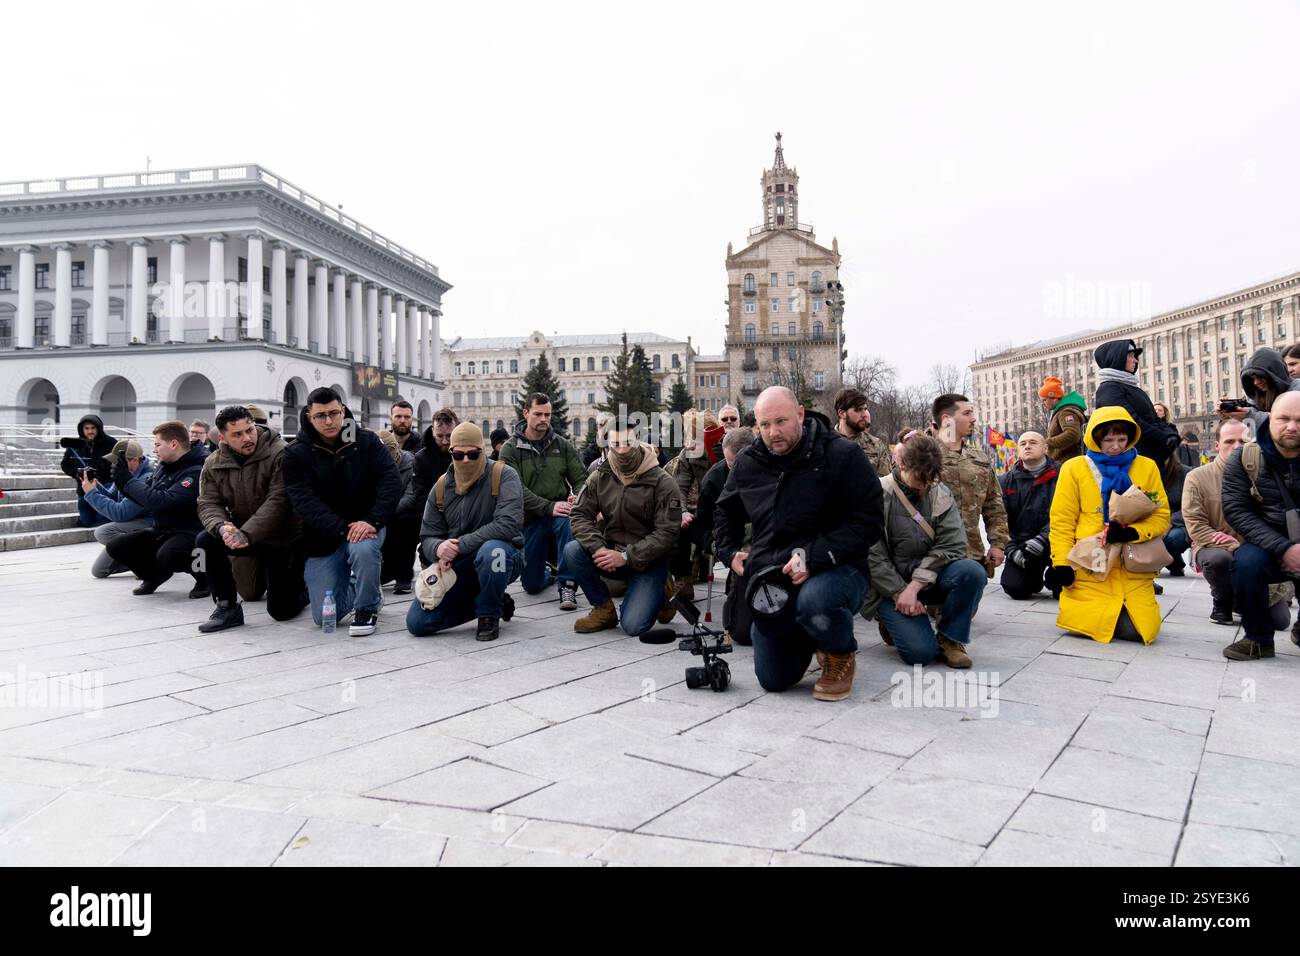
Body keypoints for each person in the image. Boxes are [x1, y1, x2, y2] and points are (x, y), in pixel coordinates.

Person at [714, 386, 883, 701]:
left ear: (801, 415)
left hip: (836, 568)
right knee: (774, 680)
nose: (773, 432)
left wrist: (813, 557)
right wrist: (728, 551)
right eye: (764, 425)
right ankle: (813, 635)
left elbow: (869, 521)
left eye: (781, 421)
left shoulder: (841, 455)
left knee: (816, 602)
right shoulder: (749, 461)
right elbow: (725, 511)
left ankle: (839, 652)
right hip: (774, 576)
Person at [1046, 406, 1170, 645]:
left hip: (1133, 563)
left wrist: (1133, 532)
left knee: (1140, 631)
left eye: (1122, 439)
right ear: (1095, 439)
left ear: (1130, 438)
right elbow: (1062, 521)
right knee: (1098, 624)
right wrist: (1060, 563)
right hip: (1089, 563)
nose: (1116, 446)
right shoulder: (1074, 468)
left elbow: (1161, 515)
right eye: (1109, 440)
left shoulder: (1147, 466)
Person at [282, 387, 401, 637]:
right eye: (321, 416)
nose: (329, 421)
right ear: (309, 417)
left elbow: (390, 484)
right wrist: (342, 527)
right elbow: (304, 501)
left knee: (364, 548)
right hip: (324, 537)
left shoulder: (367, 442)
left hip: (367, 525)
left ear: (343, 411)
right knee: (324, 617)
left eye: (334, 413)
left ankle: (367, 607)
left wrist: (371, 521)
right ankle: (364, 585)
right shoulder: (296, 453)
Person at [864, 434, 985, 667]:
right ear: (901, 464)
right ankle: (889, 618)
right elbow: (872, 555)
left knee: (972, 572)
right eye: (919, 478)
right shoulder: (877, 494)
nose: (924, 485)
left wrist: (916, 585)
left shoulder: (939, 492)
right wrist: (900, 592)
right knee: (920, 654)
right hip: (889, 586)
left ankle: (950, 638)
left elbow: (953, 545)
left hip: (927, 579)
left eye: (930, 479)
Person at [406, 422, 524, 641]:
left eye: (473, 454)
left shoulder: (504, 475)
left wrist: (459, 544)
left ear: (482, 449)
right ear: (451, 453)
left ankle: (489, 614)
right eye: (459, 455)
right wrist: (439, 548)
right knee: (417, 623)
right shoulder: (442, 486)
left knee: (493, 551)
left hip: (503, 557)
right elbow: (427, 535)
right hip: (458, 566)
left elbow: (508, 524)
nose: (466, 460)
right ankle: (493, 599)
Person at [565, 418, 682, 637]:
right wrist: (598, 548)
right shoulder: (600, 476)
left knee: (633, 626)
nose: (622, 450)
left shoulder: (662, 481)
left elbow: (667, 532)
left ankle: (663, 589)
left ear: (638, 441)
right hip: (611, 551)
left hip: (649, 560)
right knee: (573, 551)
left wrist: (627, 556)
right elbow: (580, 514)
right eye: (615, 444)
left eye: (628, 442)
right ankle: (604, 609)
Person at [194, 405, 307, 632]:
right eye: (237, 434)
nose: (247, 438)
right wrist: (221, 527)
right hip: (244, 534)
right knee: (206, 540)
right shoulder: (213, 463)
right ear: (223, 437)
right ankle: (227, 607)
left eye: (250, 430)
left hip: (282, 538)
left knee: (281, 612)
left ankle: (305, 587)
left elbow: (279, 501)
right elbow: (208, 502)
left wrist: (245, 533)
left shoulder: (281, 453)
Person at [1182, 419, 1290, 628]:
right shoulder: (1197, 477)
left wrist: (1246, 547)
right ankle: (1223, 600)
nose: (1237, 447)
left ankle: (1243, 598)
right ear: (1217, 446)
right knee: (1218, 559)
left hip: (1254, 549)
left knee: (1280, 621)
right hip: (1213, 545)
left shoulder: (1263, 474)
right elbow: (1195, 525)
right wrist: (1230, 545)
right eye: (1229, 441)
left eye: (1243, 441)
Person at [1220, 391, 1300, 660]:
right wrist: (1284, 548)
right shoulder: (1245, 458)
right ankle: (1258, 639)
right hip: (1265, 543)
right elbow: (1237, 511)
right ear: (1269, 420)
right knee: (1246, 564)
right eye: (1284, 419)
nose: (1292, 427)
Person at [498, 394, 588, 609]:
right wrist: (548, 507)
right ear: (526, 413)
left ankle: (567, 585)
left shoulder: (562, 445)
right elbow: (514, 489)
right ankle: (549, 573)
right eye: (538, 414)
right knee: (531, 585)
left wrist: (577, 497)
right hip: (531, 519)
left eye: (547, 414)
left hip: (560, 514)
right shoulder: (510, 449)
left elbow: (581, 478)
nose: (544, 419)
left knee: (570, 522)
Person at [104, 420, 210, 598]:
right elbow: (146, 495)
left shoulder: (197, 469)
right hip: (164, 528)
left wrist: (128, 481)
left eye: (158, 445)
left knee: (169, 555)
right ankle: (154, 576)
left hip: (192, 531)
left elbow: (163, 501)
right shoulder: (163, 466)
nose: (154, 450)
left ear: (174, 444)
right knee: (117, 546)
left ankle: (204, 578)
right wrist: (121, 481)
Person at [931, 393, 1009, 576]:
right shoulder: (923, 456)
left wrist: (998, 544)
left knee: (967, 603)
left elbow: (994, 505)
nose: (973, 419)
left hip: (971, 554)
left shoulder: (979, 458)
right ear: (946, 419)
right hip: (932, 556)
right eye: (966, 413)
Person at [698, 427, 755, 645]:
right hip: (726, 540)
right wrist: (724, 550)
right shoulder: (715, 478)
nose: (732, 468)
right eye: (730, 463)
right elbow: (702, 526)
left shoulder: (774, 469)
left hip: (765, 540)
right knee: (742, 631)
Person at [1093, 339, 1180, 466]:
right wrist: (1163, 438)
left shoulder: (1131, 386)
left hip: (1147, 458)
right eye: (1130, 356)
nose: (1135, 360)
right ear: (1116, 358)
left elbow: (1154, 419)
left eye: (1135, 356)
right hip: (1131, 460)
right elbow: (1132, 421)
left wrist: (1170, 433)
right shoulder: (1109, 389)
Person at [665, 409, 720, 600]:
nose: (688, 444)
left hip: (730, 514)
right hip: (704, 513)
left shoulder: (727, 451)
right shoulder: (687, 455)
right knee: (675, 522)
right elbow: (678, 488)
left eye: (693, 439)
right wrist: (681, 512)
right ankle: (683, 579)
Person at [999, 431, 1059, 600]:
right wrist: (1011, 550)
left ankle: (1053, 577)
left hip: (1057, 543)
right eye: (1023, 443)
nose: (1027, 446)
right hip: (1022, 547)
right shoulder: (1005, 481)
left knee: (1062, 588)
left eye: (1033, 442)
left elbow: (1067, 514)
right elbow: (999, 520)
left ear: (1045, 448)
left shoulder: (1062, 475)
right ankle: (1033, 577)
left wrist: (1042, 539)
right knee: (1015, 588)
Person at [82, 439, 155, 578]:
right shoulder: (123, 472)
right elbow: (113, 498)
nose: (114, 464)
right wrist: (96, 487)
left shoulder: (146, 479)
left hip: (148, 523)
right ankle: (143, 560)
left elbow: (120, 513)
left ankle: (150, 560)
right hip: (131, 525)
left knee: (103, 532)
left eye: (118, 461)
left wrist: (91, 494)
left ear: (134, 460)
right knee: (99, 570)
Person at [377, 429, 418, 595]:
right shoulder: (375, 465)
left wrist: (387, 511)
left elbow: (411, 496)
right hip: (385, 512)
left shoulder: (412, 463)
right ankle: (387, 571)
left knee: (405, 523)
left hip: (405, 513)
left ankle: (404, 576)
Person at [60, 414, 117, 528]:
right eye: (86, 428)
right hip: (84, 490)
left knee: (103, 521)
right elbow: (65, 464)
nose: (90, 431)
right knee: (86, 522)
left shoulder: (111, 443)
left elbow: (118, 464)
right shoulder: (74, 445)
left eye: (93, 428)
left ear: (98, 428)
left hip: (104, 488)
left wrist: (101, 470)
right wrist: (77, 473)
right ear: (82, 430)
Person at [407, 408, 458, 529]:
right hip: (433, 518)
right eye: (439, 436)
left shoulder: (467, 454)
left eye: (449, 436)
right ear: (432, 431)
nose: (445, 441)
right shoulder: (421, 458)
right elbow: (421, 496)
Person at [833, 387, 891, 477]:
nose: (864, 414)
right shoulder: (825, 443)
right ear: (841, 413)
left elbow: (884, 485)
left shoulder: (876, 445)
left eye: (865, 409)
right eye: (858, 410)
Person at [1040, 376, 1087, 464]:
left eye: (1044, 400)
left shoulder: (1066, 412)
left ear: (1054, 397)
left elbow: (1072, 434)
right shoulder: (1062, 411)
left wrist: (1047, 442)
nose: (1042, 404)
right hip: (1066, 462)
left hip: (1069, 463)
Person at [1160, 451, 1190, 577]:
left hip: (1180, 523)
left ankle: (1175, 565)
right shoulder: (1148, 472)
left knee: (1172, 539)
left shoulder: (1186, 473)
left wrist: (1170, 522)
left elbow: (1190, 507)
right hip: (1155, 521)